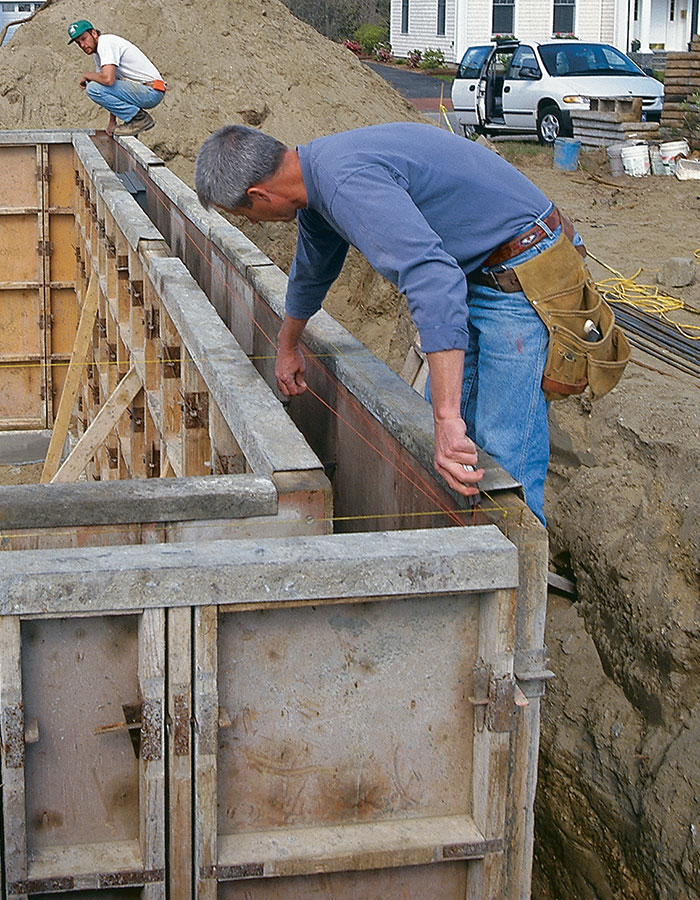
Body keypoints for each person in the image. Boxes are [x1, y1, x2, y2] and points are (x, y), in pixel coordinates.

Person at [194, 122, 608, 524]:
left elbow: (433, 279)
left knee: (503, 444)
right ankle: (463, 543)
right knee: (446, 438)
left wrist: (447, 419)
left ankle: (517, 565)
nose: (251, 224)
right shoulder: (316, 179)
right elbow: (312, 270)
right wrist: (288, 343)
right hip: (479, 269)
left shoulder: (344, 182)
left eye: (243, 214)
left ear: (259, 194)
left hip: (521, 271)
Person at [68, 19, 165, 137]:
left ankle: (140, 119)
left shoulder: (105, 43)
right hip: (144, 91)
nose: (82, 45)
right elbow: (109, 86)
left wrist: (86, 75)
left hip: (151, 91)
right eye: (78, 43)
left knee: (92, 88)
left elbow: (108, 80)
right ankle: (135, 120)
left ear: (94, 33)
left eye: (84, 39)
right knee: (96, 85)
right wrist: (112, 122)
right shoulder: (98, 54)